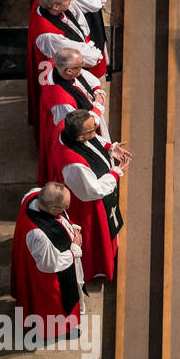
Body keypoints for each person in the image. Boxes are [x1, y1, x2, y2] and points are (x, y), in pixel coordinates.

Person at [52, 109, 129, 283]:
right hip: (88, 207)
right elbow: (92, 191)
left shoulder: (66, 128)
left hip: (92, 191)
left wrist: (110, 147)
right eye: (93, 128)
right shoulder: (73, 164)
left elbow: (92, 139)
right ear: (80, 137)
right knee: (96, 237)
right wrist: (116, 172)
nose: (96, 129)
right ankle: (98, 268)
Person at [10, 182, 83, 343]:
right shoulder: (38, 234)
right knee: (53, 307)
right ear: (51, 209)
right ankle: (55, 332)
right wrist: (74, 249)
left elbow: (58, 221)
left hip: (34, 258)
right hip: (48, 279)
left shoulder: (34, 195)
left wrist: (70, 228)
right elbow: (50, 264)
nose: (67, 209)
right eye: (64, 207)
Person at [28, 0, 105, 136]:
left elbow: (77, 21)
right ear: (55, 7)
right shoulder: (49, 34)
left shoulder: (47, 5)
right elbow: (84, 56)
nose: (71, 0)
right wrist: (97, 107)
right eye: (67, 1)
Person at [38, 48, 109, 184]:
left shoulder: (59, 65)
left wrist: (96, 89)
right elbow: (77, 127)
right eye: (80, 66)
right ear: (69, 72)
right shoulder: (61, 101)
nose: (82, 68)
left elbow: (84, 75)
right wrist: (98, 107)